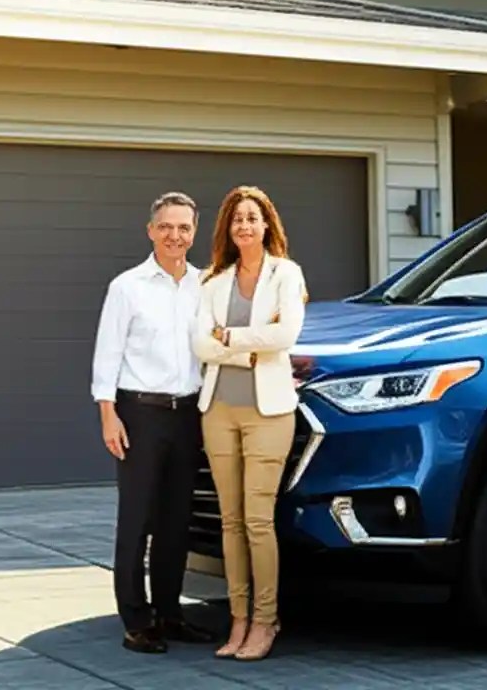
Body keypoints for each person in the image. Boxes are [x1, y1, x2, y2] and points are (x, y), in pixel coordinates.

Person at [91, 191, 217, 653]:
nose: (175, 236)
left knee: (176, 521)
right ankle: (136, 620)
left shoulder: (205, 286)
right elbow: (108, 353)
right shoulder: (127, 287)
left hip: (188, 415)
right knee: (137, 519)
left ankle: (170, 613)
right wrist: (109, 415)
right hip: (139, 414)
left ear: (193, 233)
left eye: (184, 228)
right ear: (151, 231)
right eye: (166, 226)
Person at [192, 185, 307, 661]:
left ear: (266, 225)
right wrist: (249, 348)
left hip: (269, 413)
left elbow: (287, 335)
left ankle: (265, 620)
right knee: (231, 521)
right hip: (217, 409)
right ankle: (237, 620)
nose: (244, 225)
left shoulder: (286, 273)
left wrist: (231, 338)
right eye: (237, 218)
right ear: (228, 228)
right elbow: (200, 346)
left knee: (259, 522)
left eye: (252, 217)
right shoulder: (213, 280)